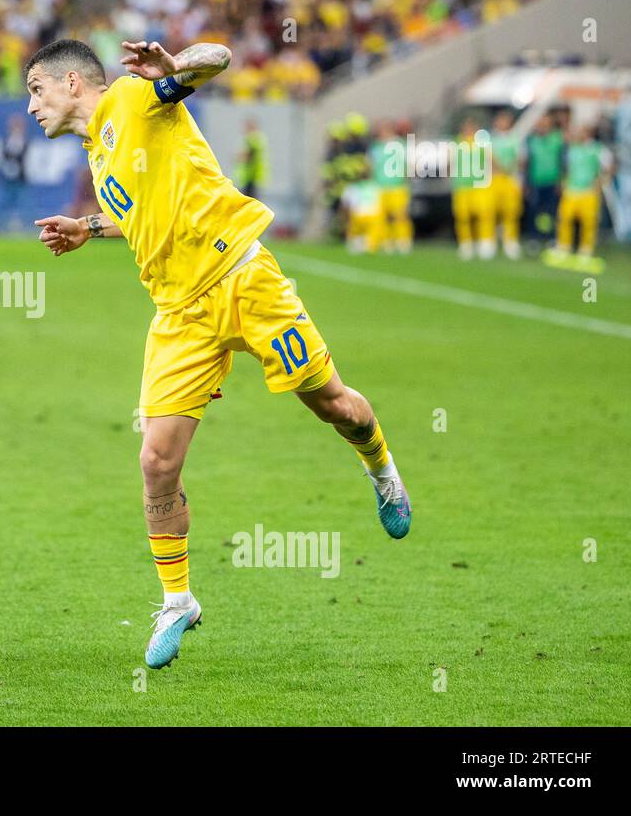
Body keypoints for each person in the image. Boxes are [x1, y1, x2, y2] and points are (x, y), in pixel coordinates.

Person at [27, 38, 412, 670]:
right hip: (179, 313)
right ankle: (178, 601)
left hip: (242, 277)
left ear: (72, 82)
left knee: (335, 405)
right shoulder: (99, 152)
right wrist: (87, 227)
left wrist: (178, 66)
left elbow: (219, 58)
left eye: (36, 91)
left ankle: (381, 470)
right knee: (155, 461)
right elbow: (140, 214)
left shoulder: (132, 97)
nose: (33, 107)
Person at [546, 123, 611, 271]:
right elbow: (567, 168)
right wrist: (564, 182)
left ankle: (585, 250)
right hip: (571, 189)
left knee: (588, 222)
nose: (576, 134)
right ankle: (564, 247)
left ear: (588, 133)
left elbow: (608, 168)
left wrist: (600, 183)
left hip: (588, 191)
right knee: (565, 219)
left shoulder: (598, 149)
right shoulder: (572, 149)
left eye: (579, 131)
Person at [451, 118, 497, 260]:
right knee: (463, 216)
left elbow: (491, 160)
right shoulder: (457, 143)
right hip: (462, 185)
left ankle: (486, 242)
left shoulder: (481, 143)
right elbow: (451, 162)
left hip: (479, 184)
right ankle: (466, 243)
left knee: (483, 214)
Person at [368, 120, 411, 252]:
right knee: (382, 216)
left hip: (397, 185)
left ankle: (403, 241)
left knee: (399, 215)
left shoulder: (400, 145)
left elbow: (408, 163)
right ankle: (387, 242)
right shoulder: (376, 147)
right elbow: (370, 165)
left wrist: (407, 178)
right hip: (380, 186)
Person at [489, 111, 524, 258]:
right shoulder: (491, 139)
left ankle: (510, 241)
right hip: (495, 178)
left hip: (510, 178)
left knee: (510, 212)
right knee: (490, 211)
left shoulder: (514, 139)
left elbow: (520, 158)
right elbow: (489, 158)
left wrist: (509, 168)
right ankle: (489, 242)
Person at [525, 114, 564, 241]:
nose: (542, 126)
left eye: (545, 123)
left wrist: (560, 181)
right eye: (540, 123)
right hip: (536, 181)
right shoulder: (531, 140)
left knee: (552, 212)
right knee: (534, 211)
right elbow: (527, 163)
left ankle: (552, 238)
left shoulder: (558, 139)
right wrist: (526, 183)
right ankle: (534, 238)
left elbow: (562, 161)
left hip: (552, 181)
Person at [0, 115, 30, 231]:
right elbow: (4, 157)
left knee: (24, 203)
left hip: (20, 179)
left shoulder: (24, 141)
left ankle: (26, 226)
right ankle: (1, 227)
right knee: (5, 203)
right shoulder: (7, 141)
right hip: (8, 178)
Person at [235, 119, 268, 199]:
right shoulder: (258, 138)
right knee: (251, 199)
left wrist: (239, 157)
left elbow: (251, 154)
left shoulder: (253, 139)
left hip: (251, 175)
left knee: (249, 200)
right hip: (252, 176)